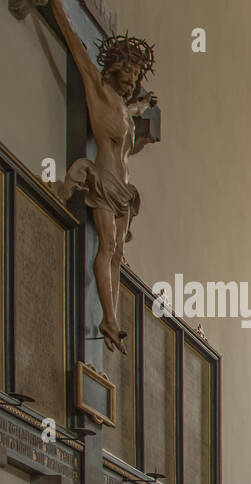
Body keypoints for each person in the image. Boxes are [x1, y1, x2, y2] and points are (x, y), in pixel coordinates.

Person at [49, 0, 159, 352]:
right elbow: (76, 45)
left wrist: (144, 106)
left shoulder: (125, 111)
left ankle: (112, 317)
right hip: (105, 180)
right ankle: (108, 319)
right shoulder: (97, 91)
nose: (130, 83)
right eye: (126, 76)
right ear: (112, 71)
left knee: (116, 256)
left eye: (134, 78)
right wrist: (56, 6)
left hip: (125, 190)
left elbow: (134, 114)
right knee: (108, 245)